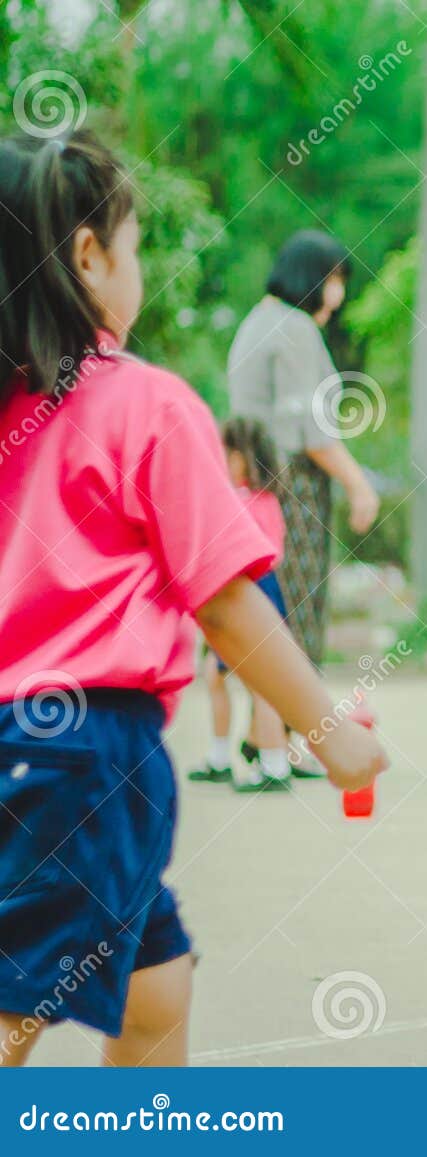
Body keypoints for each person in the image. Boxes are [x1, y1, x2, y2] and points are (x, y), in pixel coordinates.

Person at [0, 129, 387, 1067]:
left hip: (36, 754)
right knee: (15, 1010)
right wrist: (330, 731)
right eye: (132, 250)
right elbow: (226, 602)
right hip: (82, 758)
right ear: (89, 256)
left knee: (156, 988)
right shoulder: (147, 404)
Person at [227, 230, 379, 674]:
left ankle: (265, 733)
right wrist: (359, 485)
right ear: (312, 277)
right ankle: (297, 725)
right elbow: (312, 433)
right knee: (299, 604)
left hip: (253, 482)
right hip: (293, 484)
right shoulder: (293, 329)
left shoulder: (256, 321)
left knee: (269, 606)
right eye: (334, 279)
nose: (340, 292)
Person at [187, 418, 299, 793]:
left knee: (257, 685)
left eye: (228, 455)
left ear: (243, 459)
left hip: (246, 593)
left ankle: (274, 764)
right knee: (217, 676)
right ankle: (224, 757)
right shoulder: (268, 502)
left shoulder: (242, 502)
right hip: (250, 591)